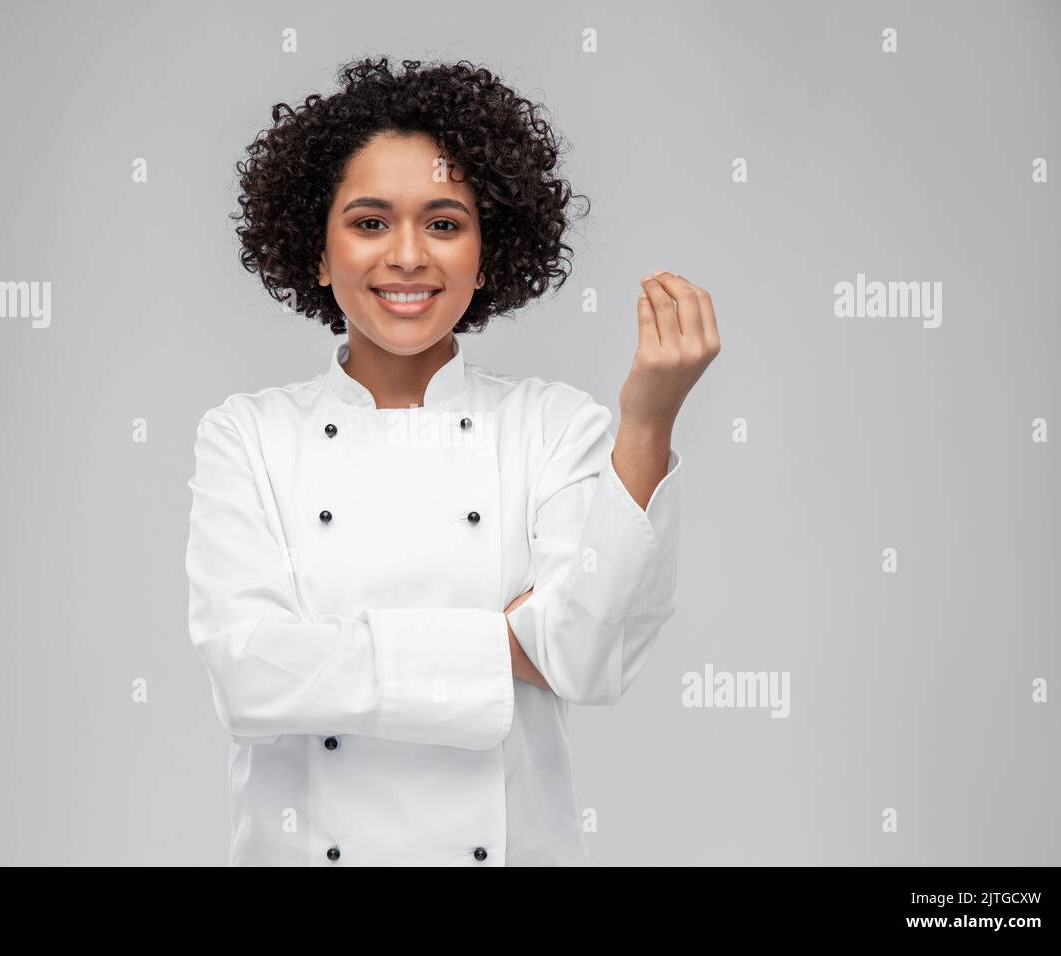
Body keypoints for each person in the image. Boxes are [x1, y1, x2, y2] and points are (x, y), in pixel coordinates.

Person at [185, 56, 720, 866]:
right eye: (369, 223)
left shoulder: (549, 426)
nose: (407, 256)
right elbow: (250, 676)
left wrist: (648, 419)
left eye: (443, 223)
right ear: (317, 252)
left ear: (487, 251)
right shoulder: (247, 436)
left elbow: (589, 655)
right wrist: (508, 641)